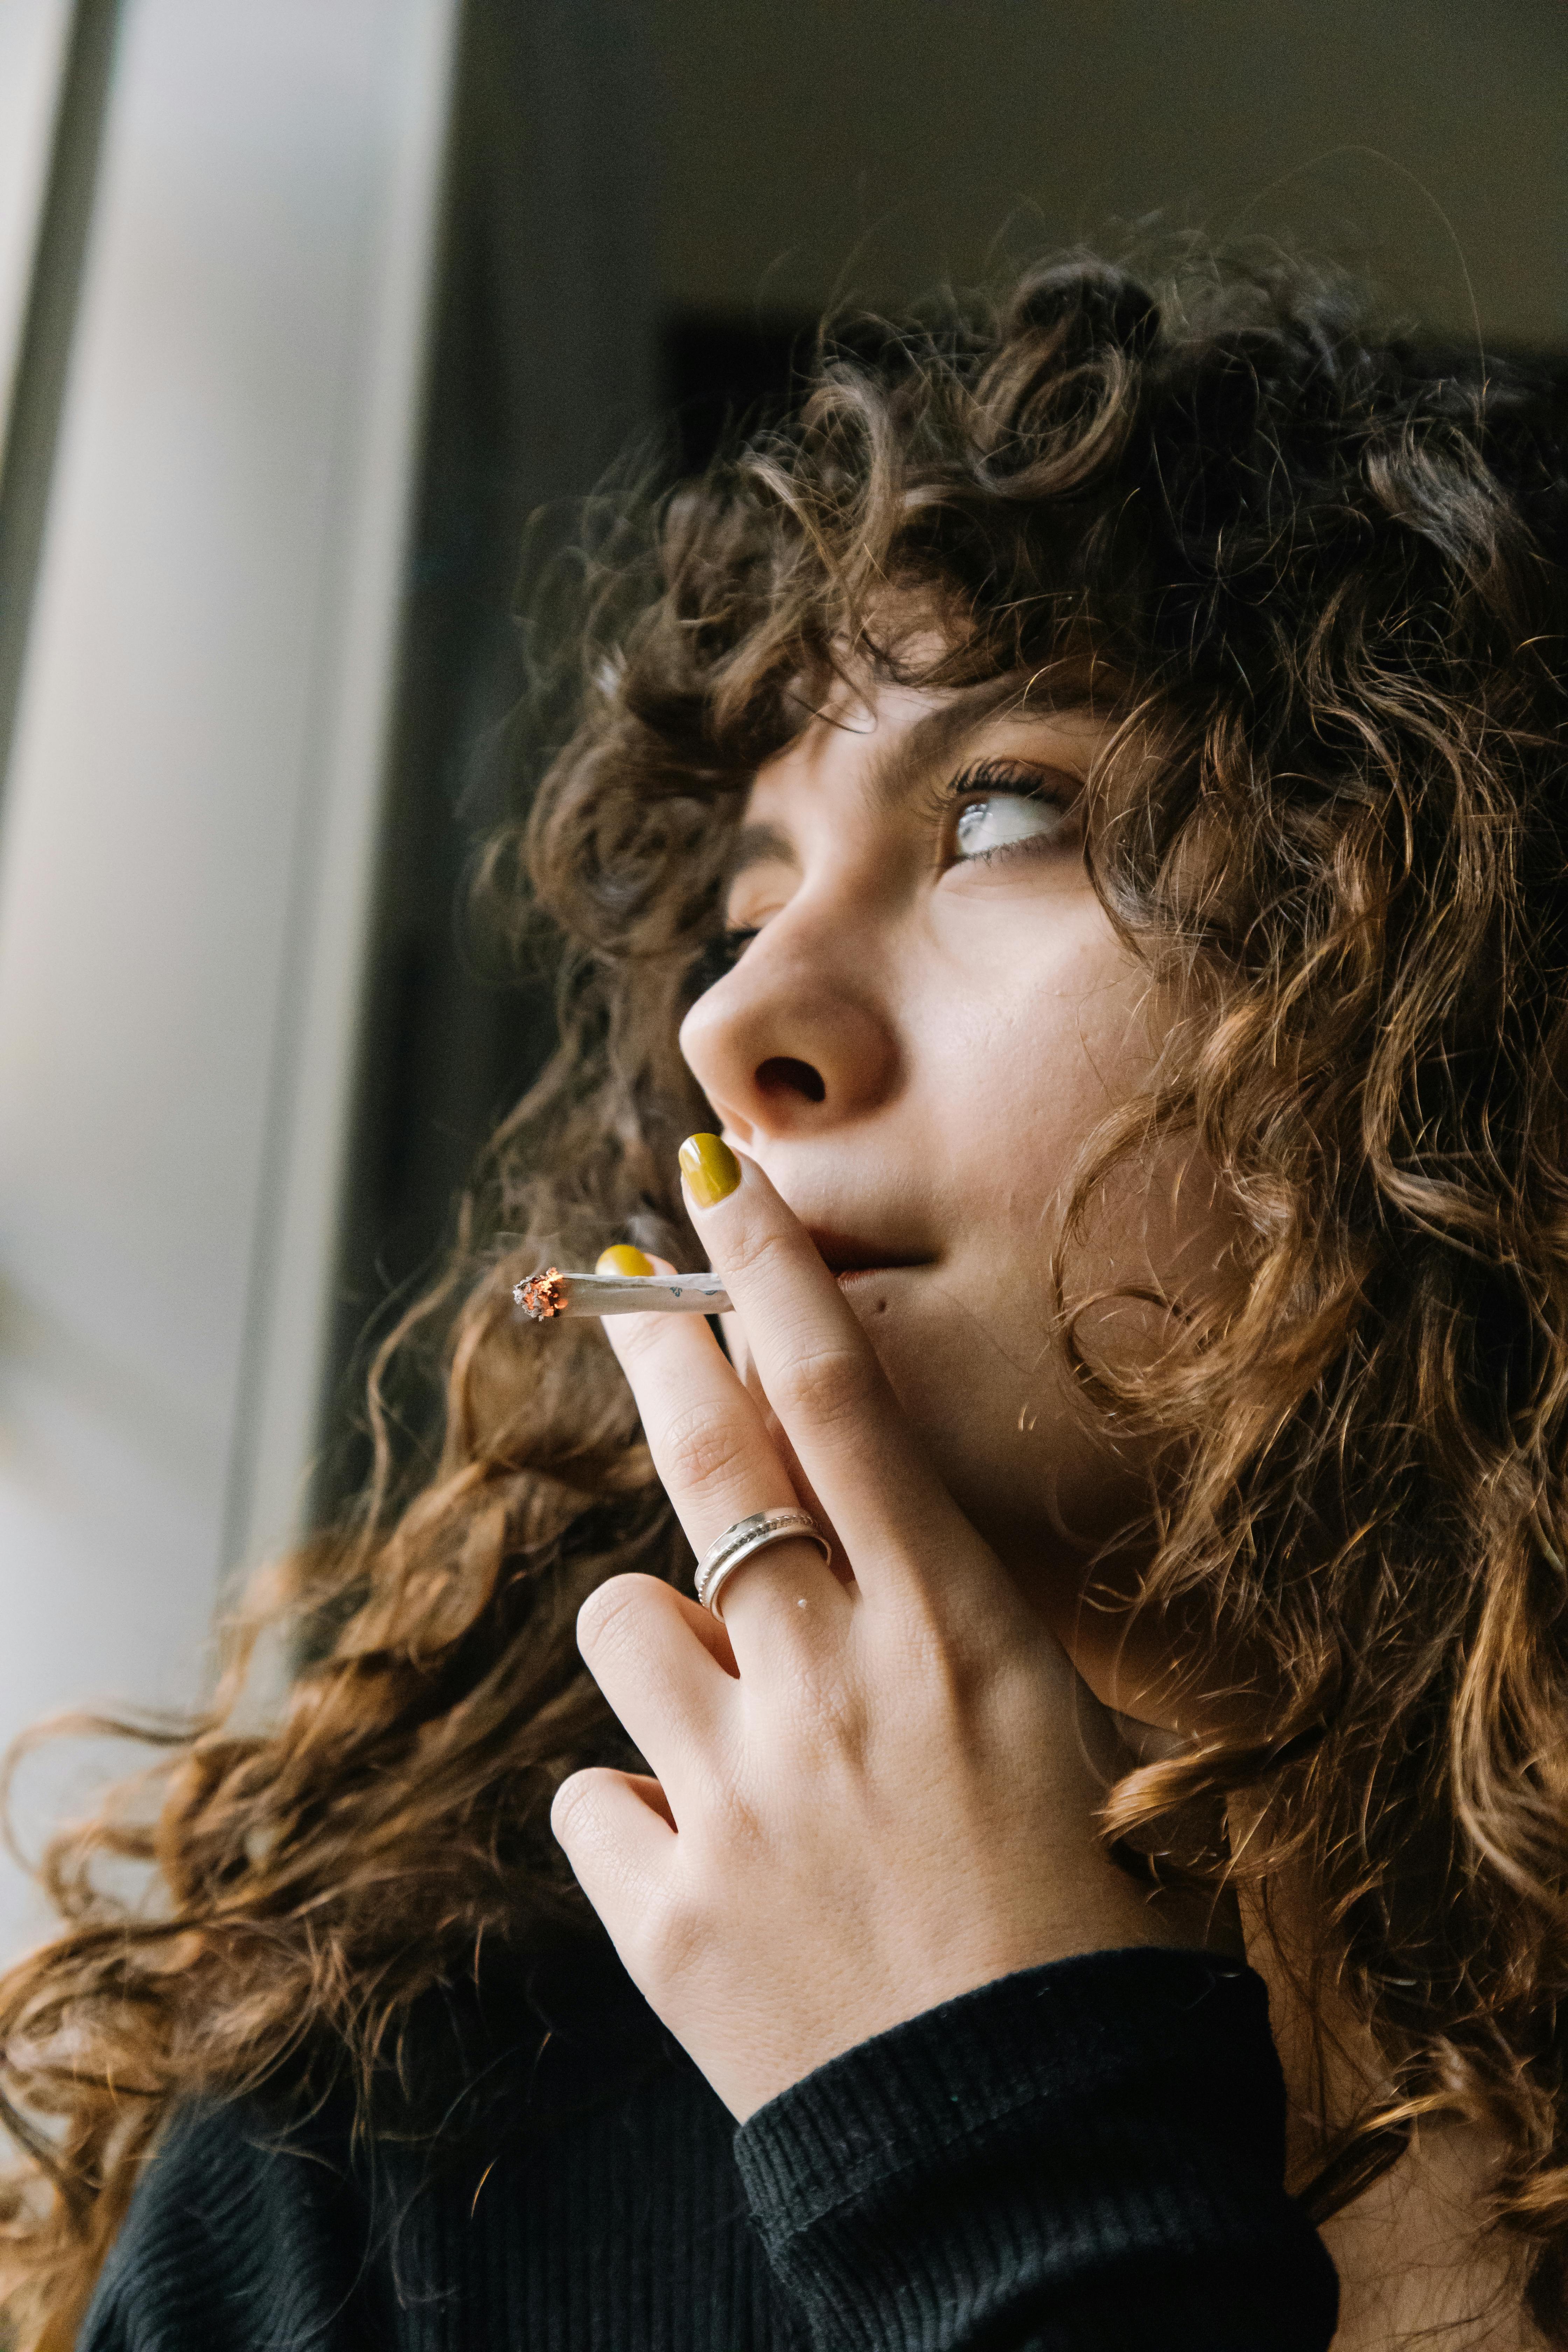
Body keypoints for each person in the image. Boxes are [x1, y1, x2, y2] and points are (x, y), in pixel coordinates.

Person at [1, 245, 1565, 2351]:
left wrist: (990, 2137)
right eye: (741, 910)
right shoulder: (387, 2154)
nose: (746, 1021)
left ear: (1446, 966)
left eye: (1003, 813)